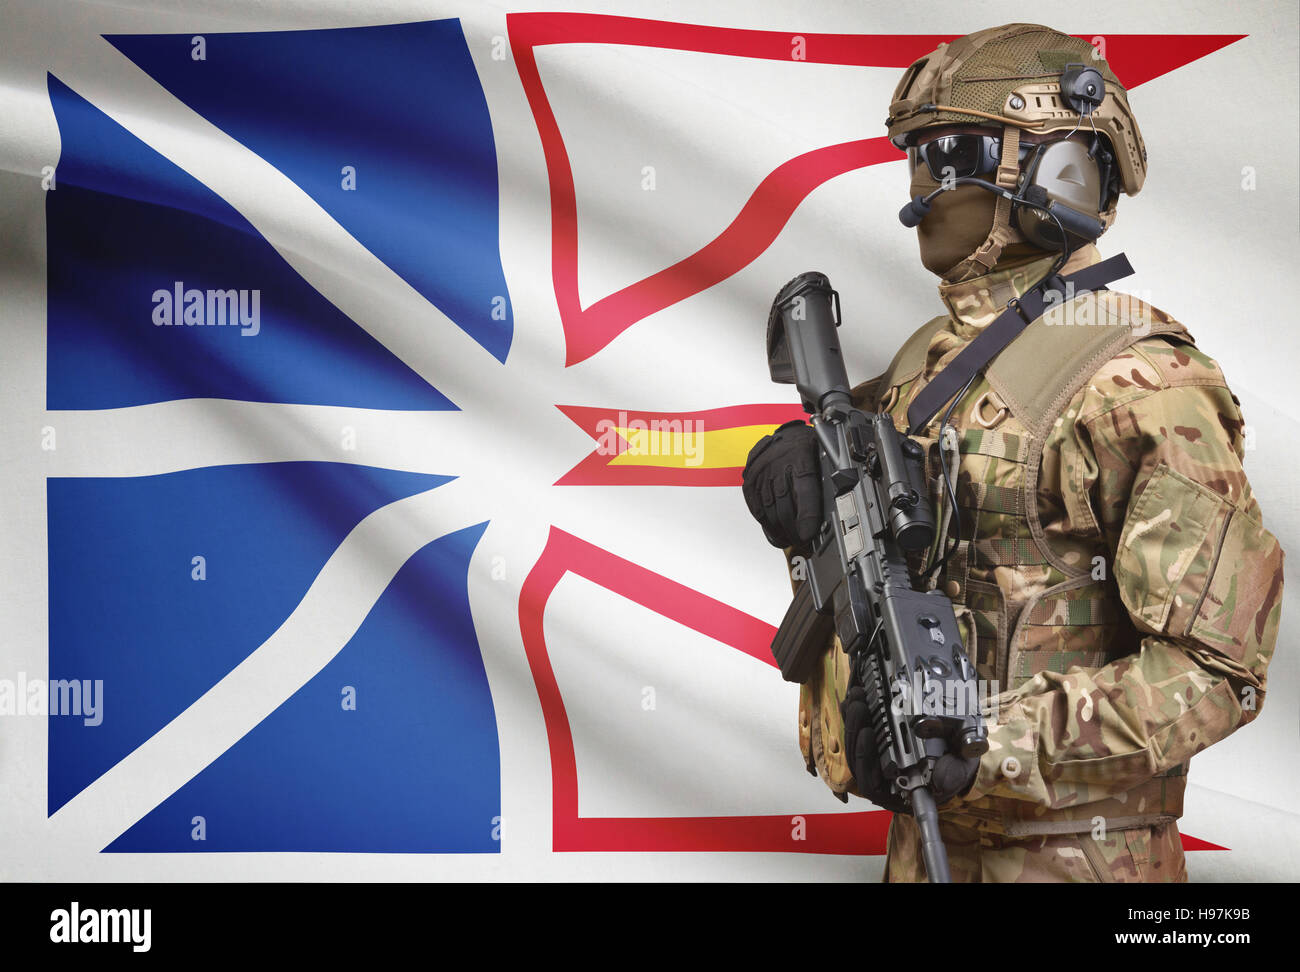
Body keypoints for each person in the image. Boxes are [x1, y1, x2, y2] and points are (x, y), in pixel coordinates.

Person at [741, 23, 1284, 882]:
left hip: (1080, 863)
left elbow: (1216, 670)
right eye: (917, 154)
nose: (922, 183)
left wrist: (986, 740)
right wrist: (796, 485)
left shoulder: (1141, 381)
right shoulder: (931, 358)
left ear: (1053, 169)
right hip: (923, 850)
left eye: (947, 150)